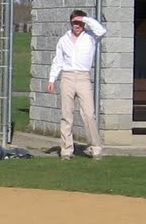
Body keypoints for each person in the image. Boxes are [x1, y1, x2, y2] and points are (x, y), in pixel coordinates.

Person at [45, 10, 106, 160]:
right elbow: (58, 60)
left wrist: (85, 18)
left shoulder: (91, 37)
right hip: (67, 77)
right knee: (67, 115)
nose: (77, 26)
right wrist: (52, 79)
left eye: (80, 23)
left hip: (83, 77)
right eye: (74, 22)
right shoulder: (63, 39)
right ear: (70, 23)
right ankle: (66, 149)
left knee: (89, 114)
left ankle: (95, 147)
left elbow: (102, 30)